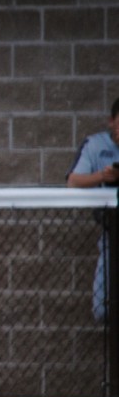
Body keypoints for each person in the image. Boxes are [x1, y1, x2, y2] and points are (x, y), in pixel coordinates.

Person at [67, 96, 119, 322]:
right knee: (102, 308)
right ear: (111, 121)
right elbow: (73, 181)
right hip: (111, 234)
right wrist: (102, 176)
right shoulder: (96, 145)